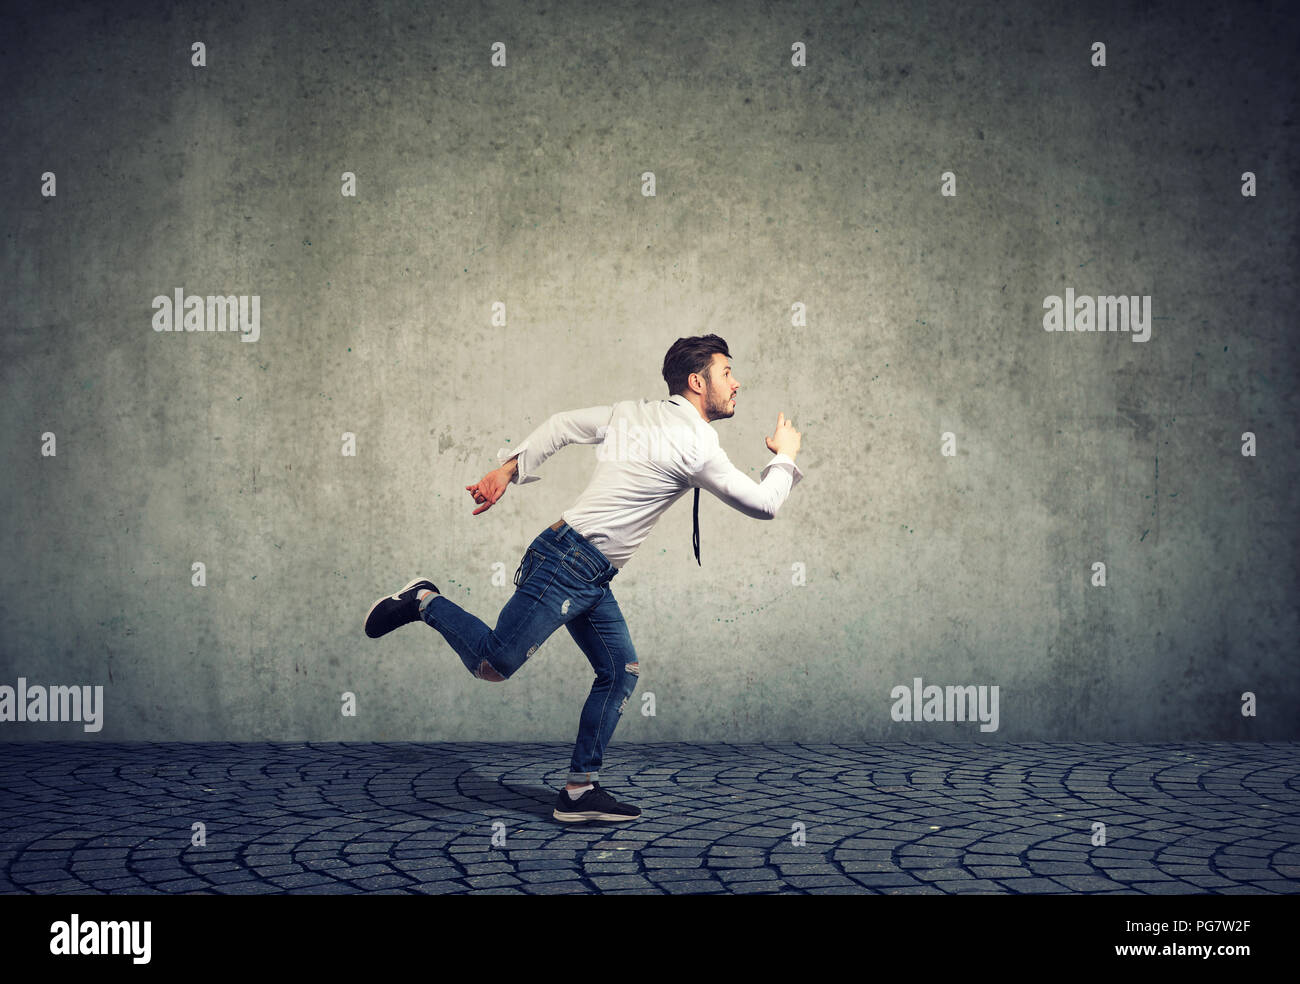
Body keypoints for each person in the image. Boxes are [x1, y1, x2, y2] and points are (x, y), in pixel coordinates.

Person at [363, 335, 803, 822]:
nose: (736, 383)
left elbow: (561, 425)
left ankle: (578, 791)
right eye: (726, 373)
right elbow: (765, 504)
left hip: (587, 572)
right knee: (493, 665)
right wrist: (784, 455)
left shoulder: (633, 413)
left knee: (619, 672)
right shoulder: (696, 443)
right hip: (567, 565)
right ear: (697, 382)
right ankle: (422, 600)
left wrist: (507, 471)